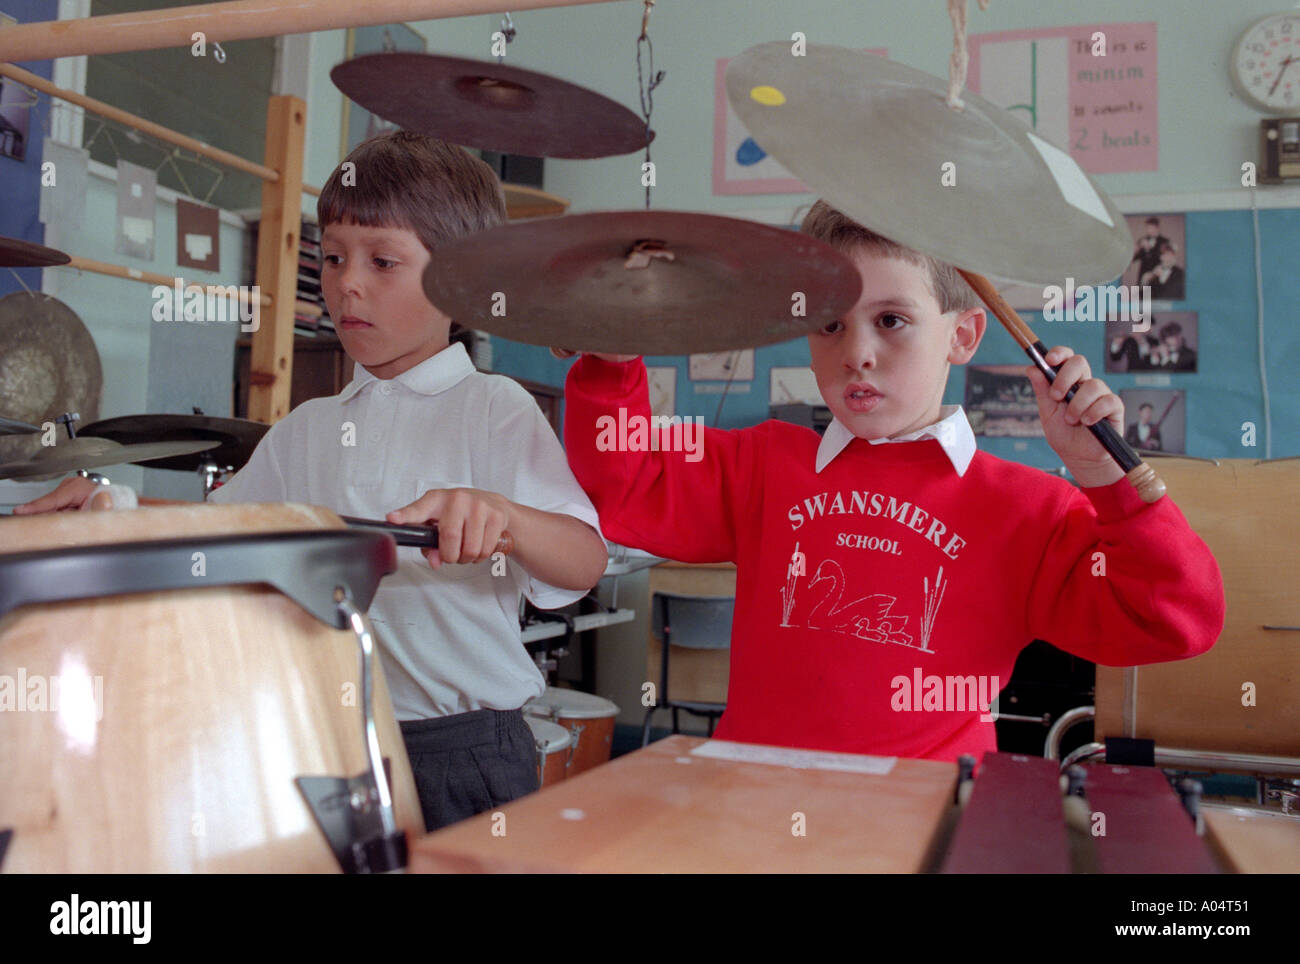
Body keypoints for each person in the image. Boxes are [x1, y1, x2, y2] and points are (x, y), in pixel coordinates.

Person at [17, 131, 609, 831]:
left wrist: (503, 515)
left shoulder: (493, 407)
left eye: (382, 261)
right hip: (331, 740)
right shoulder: (307, 428)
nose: (346, 282)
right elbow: (227, 532)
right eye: (331, 258)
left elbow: (584, 560)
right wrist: (108, 503)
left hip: (462, 751)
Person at [557, 200, 1223, 764]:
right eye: (830, 323)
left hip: (924, 821)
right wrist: (613, 360)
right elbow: (627, 478)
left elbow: (1172, 620)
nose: (857, 353)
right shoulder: (764, 464)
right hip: (755, 804)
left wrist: (1106, 478)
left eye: (891, 320)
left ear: (962, 335)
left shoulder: (1028, 508)